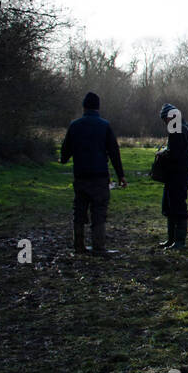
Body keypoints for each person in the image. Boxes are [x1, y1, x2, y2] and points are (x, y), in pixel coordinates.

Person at [59, 91, 126, 256]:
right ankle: (99, 247)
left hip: (81, 176)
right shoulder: (104, 126)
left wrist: (63, 159)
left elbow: (65, 152)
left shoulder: (74, 126)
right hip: (99, 177)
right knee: (99, 211)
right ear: (98, 107)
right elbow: (114, 152)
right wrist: (121, 176)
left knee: (79, 211)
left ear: (84, 107)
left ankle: (79, 246)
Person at [157, 103, 188, 250]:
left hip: (176, 173)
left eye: (165, 119)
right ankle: (172, 240)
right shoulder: (187, 125)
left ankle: (178, 241)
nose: (165, 122)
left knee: (176, 205)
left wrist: (162, 154)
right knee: (172, 204)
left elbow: (173, 154)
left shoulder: (175, 128)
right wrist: (187, 154)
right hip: (184, 171)